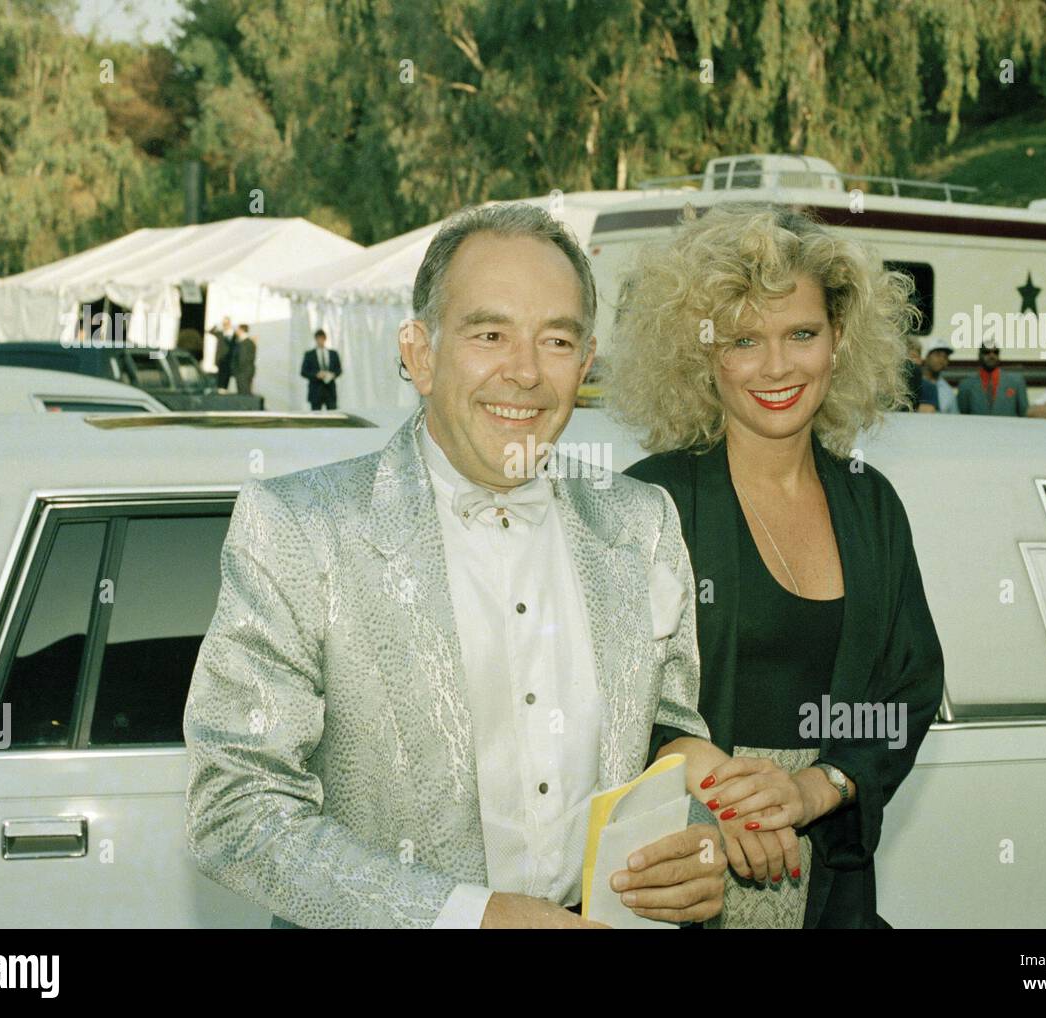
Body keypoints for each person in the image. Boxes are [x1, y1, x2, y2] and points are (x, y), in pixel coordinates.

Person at [184, 202, 732, 929]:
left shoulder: (640, 522)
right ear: (419, 353)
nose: (527, 372)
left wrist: (696, 843)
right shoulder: (300, 528)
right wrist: (469, 919)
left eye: (557, 340)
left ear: (586, 363)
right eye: (490, 333)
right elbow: (236, 811)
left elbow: (665, 739)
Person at [610, 203, 945, 928]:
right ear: (701, 353)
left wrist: (821, 787)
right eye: (743, 340)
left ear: (839, 341)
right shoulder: (651, 500)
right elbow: (596, 700)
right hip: (682, 881)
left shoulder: (871, 504)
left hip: (833, 890)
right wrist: (712, 794)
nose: (777, 366)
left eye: (801, 333)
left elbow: (910, 688)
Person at [957, 339, 1028, 416]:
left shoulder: (1016, 382)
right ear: (979, 355)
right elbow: (963, 417)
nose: (992, 356)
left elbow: (1024, 413)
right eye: (986, 352)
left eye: (995, 352)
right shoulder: (966, 385)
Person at [300, 329, 341, 410]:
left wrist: (332, 375)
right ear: (315, 339)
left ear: (325, 339)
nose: (320, 341)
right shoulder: (309, 355)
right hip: (315, 390)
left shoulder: (333, 354)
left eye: (322, 338)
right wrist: (316, 375)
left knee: (332, 414)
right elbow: (303, 372)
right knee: (316, 415)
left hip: (330, 390)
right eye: (318, 338)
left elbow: (339, 369)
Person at [921, 336, 959, 413]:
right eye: (937, 354)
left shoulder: (948, 391)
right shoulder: (914, 382)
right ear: (926, 357)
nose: (942, 360)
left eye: (945, 357)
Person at [230, 323, 257, 395]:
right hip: (245, 371)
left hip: (243, 372)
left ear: (241, 330)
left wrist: (236, 371)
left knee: (243, 393)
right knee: (244, 392)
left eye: (238, 329)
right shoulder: (247, 342)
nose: (236, 331)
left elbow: (242, 359)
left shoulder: (245, 343)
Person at [210, 317, 236, 389]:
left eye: (226, 323)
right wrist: (216, 325)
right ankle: (221, 389)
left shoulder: (233, 333)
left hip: (229, 359)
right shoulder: (220, 333)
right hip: (221, 359)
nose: (225, 325)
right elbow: (210, 331)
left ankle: (224, 388)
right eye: (224, 324)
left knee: (227, 376)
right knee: (220, 376)